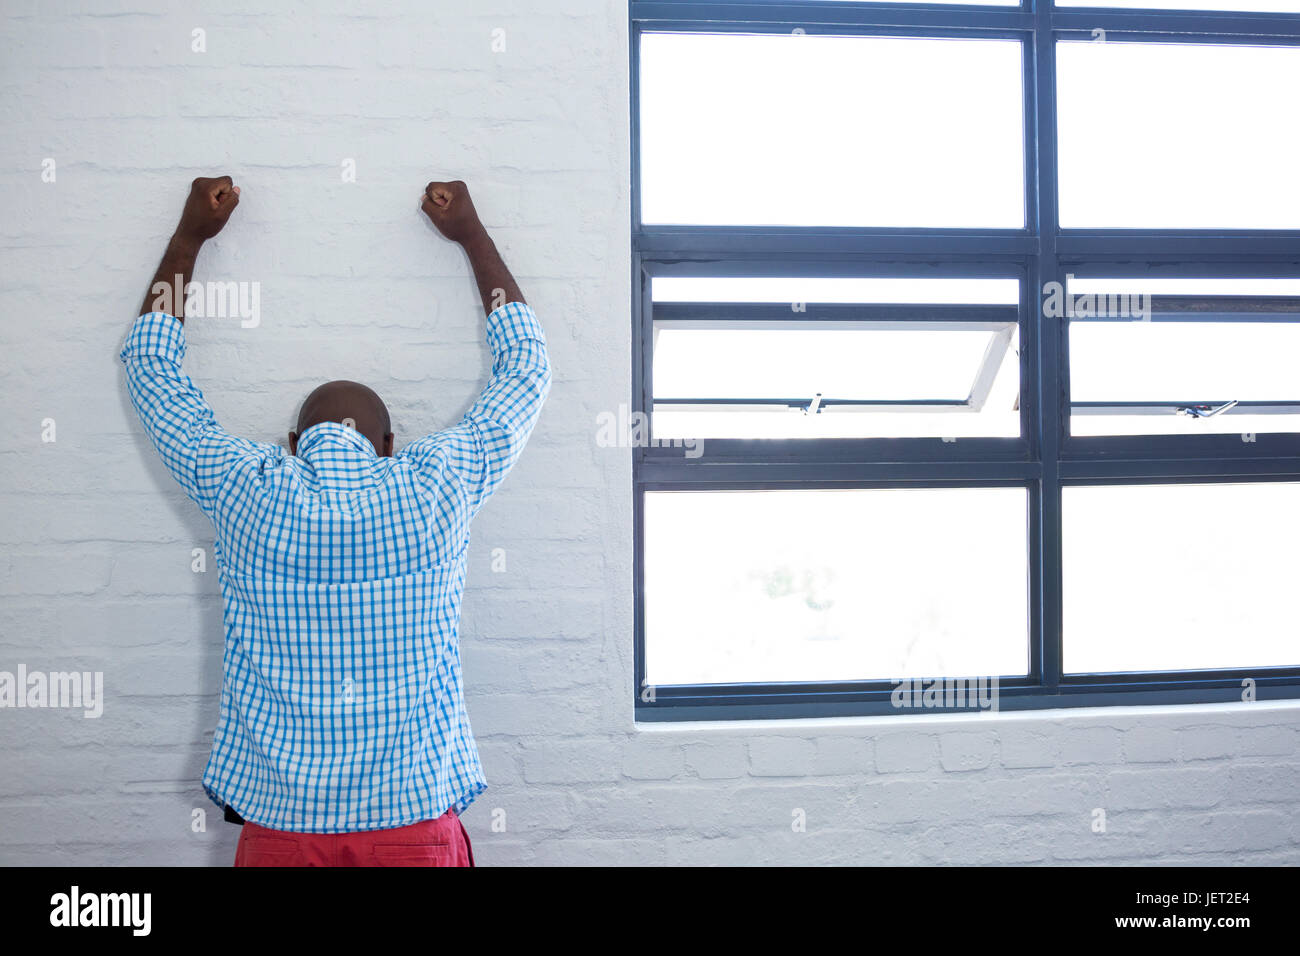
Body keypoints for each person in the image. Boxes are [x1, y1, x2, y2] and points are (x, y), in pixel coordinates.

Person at [120, 175, 551, 866]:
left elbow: (150, 371)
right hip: (415, 822)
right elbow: (526, 369)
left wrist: (188, 237)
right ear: (388, 446)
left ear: (292, 444)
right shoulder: (435, 484)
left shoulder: (245, 487)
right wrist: (471, 236)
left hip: (282, 830)